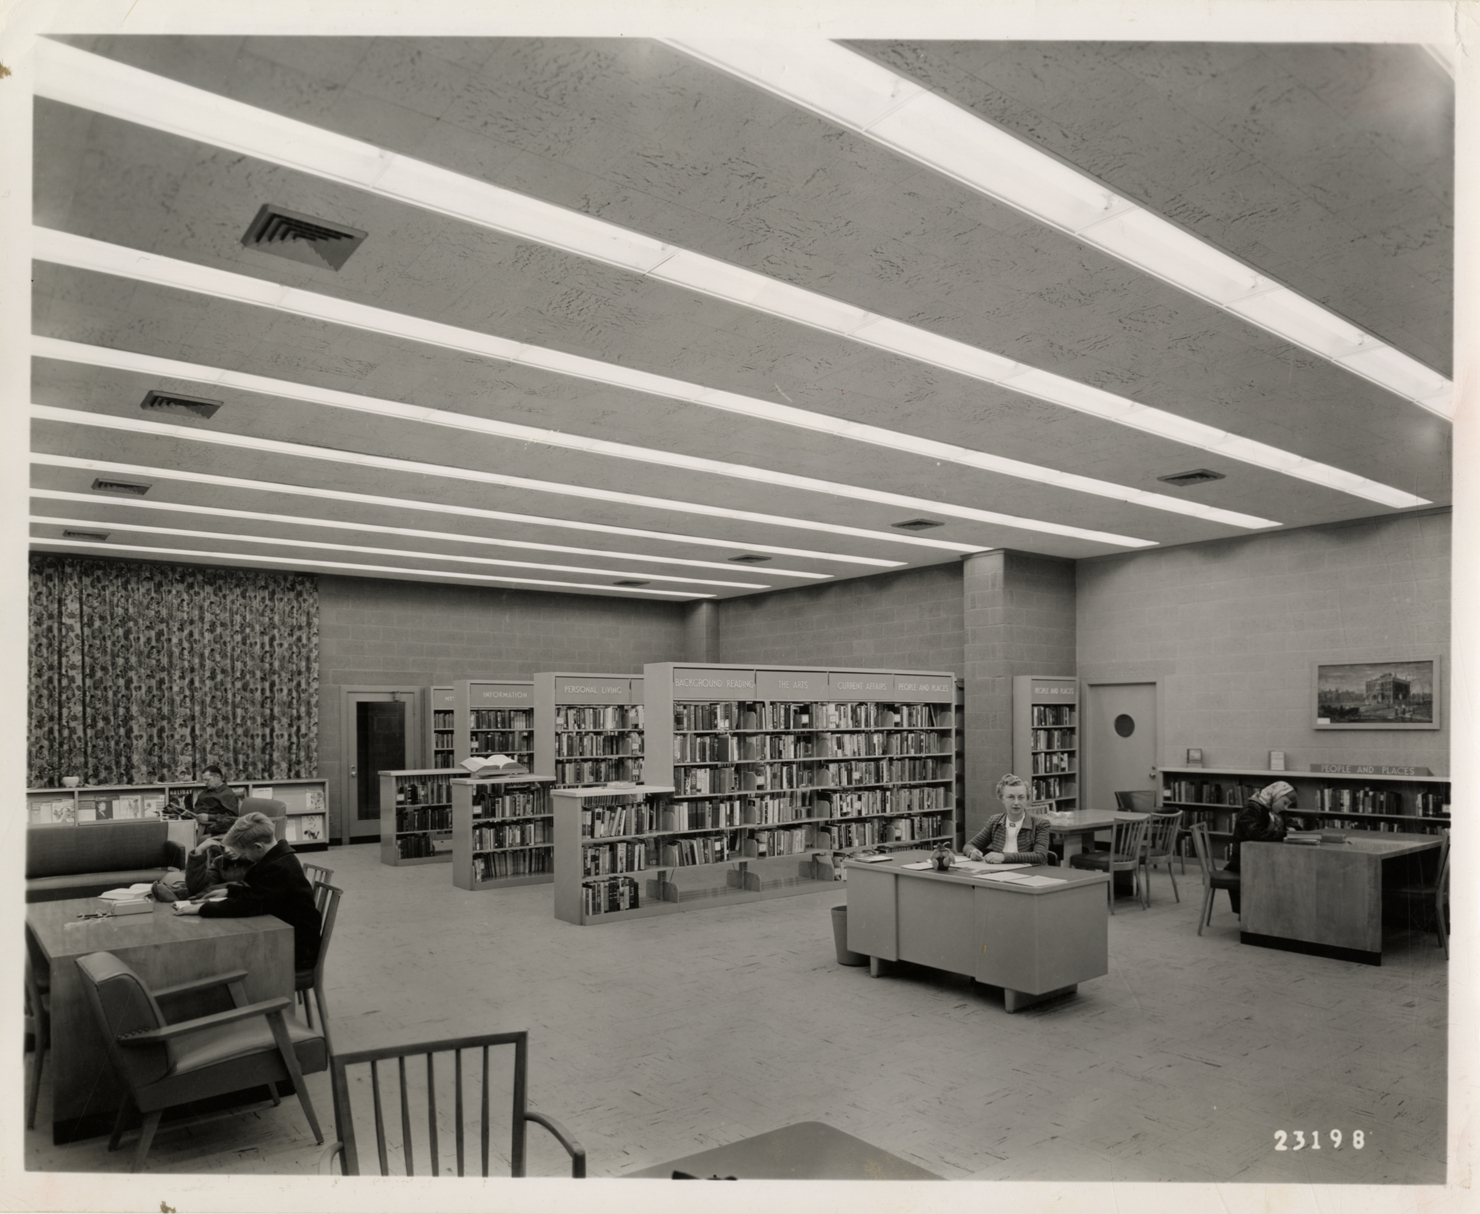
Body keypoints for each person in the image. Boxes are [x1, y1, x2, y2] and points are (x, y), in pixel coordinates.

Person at [172, 811, 322, 973]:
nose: (244, 856)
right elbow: (262, 893)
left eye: (244, 853)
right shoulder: (279, 857)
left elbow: (250, 904)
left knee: (222, 958)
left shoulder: (279, 867)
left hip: (295, 951)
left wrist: (202, 908)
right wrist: (229, 891)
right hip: (285, 936)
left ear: (258, 847)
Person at [1223, 780, 1298, 915]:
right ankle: (1264, 914)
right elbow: (1257, 834)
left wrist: (1293, 828)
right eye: (1285, 802)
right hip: (1244, 863)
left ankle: (1276, 912)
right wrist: (1287, 833)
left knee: (1290, 872)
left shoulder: (1273, 809)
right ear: (1275, 795)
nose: (1286, 808)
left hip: (1260, 859)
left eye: (1288, 805)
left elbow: (1292, 823)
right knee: (1286, 874)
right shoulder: (1251, 809)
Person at [962, 773, 1051, 864]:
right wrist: (972, 852)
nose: (1016, 802)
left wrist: (1004, 857)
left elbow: (1040, 856)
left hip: (1030, 871)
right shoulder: (995, 821)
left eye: (1021, 797)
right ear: (1002, 798)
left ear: (1027, 799)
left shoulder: (1040, 823)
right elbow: (969, 845)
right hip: (1000, 870)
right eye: (1011, 797)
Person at [190, 764, 242, 836]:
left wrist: (209, 817)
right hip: (195, 824)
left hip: (210, 828)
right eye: (204, 780)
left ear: (217, 777)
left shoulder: (227, 794)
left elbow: (232, 817)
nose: (205, 783)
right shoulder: (206, 792)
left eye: (207, 780)